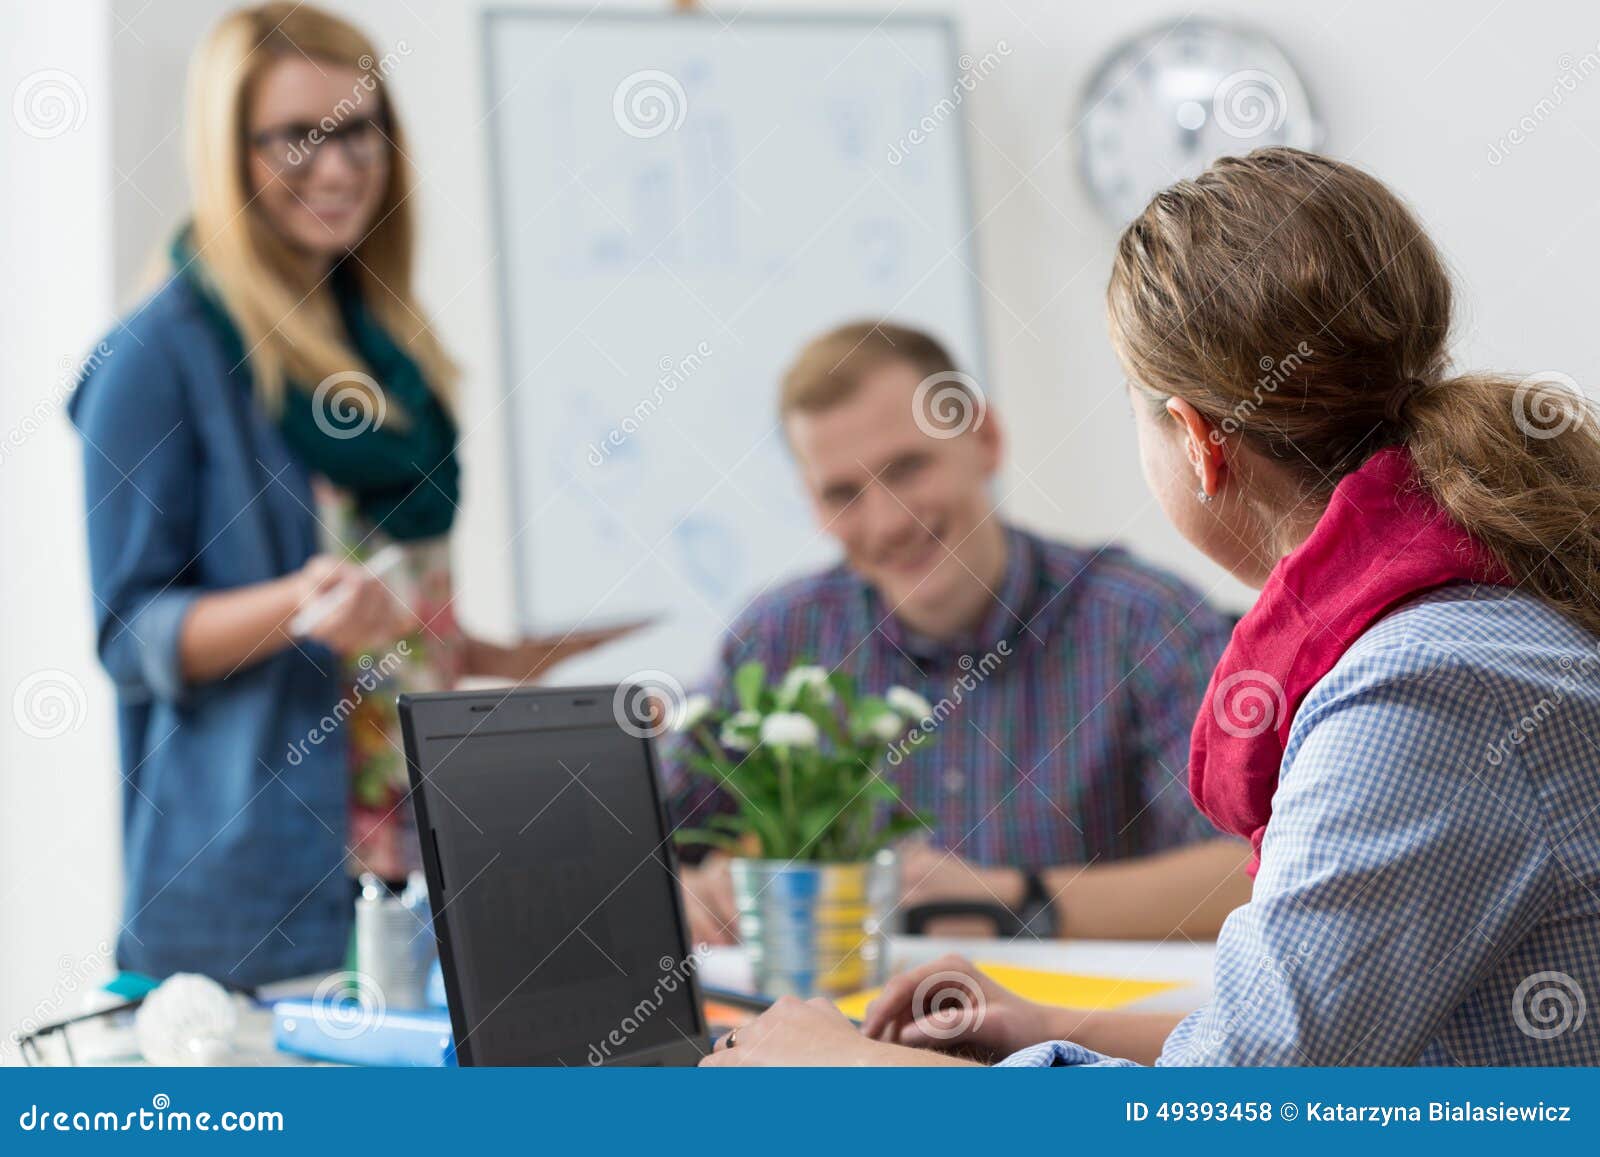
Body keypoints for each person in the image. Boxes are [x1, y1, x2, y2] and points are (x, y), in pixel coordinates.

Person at [701, 148, 1600, 1067]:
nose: (887, 519)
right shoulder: (1457, 632)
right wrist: (1060, 1027)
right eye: (845, 490)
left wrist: (845, 1067)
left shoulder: (1415, 687)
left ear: (1197, 440)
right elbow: (1290, 1040)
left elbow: (1213, 1119)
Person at [69, 2, 627, 987]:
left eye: (358, 129)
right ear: (227, 151)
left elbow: (392, 610)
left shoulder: (385, 349)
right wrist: (300, 603)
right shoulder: (155, 358)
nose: (336, 166)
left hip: (426, 863)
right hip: (256, 890)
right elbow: (132, 635)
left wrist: (489, 654)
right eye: (297, 138)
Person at [663, 321, 1251, 948]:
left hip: (1077, 1036)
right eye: (843, 494)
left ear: (986, 440)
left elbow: (1253, 873)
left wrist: (1015, 901)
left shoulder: (1143, 621)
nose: (887, 522)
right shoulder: (778, 638)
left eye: (908, 468)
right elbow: (634, 848)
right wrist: (684, 892)